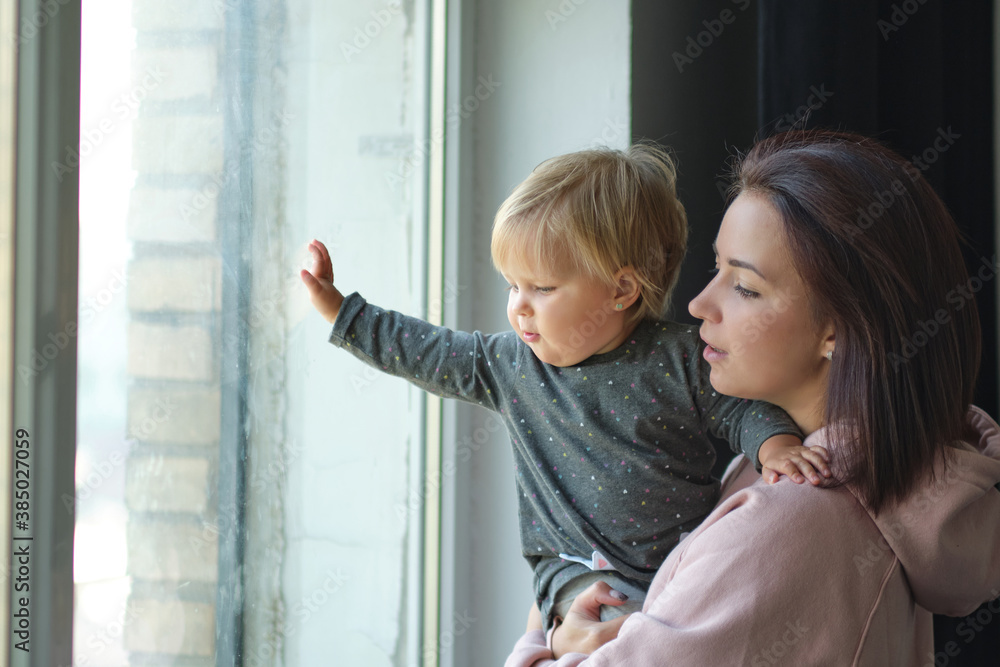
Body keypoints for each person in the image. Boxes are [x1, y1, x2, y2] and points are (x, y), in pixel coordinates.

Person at [505, 129, 1000, 665]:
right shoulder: (840, 472)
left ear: (836, 331)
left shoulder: (792, 520)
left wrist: (545, 635)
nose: (697, 305)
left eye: (744, 287)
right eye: (718, 268)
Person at [299, 144, 828, 634]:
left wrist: (775, 447)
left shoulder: (680, 357)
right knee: (620, 631)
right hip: (575, 573)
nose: (519, 307)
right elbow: (425, 350)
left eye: (543, 288)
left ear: (622, 289)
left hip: (681, 564)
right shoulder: (509, 364)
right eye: (513, 285)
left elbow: (741, 412)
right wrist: (340, 309)